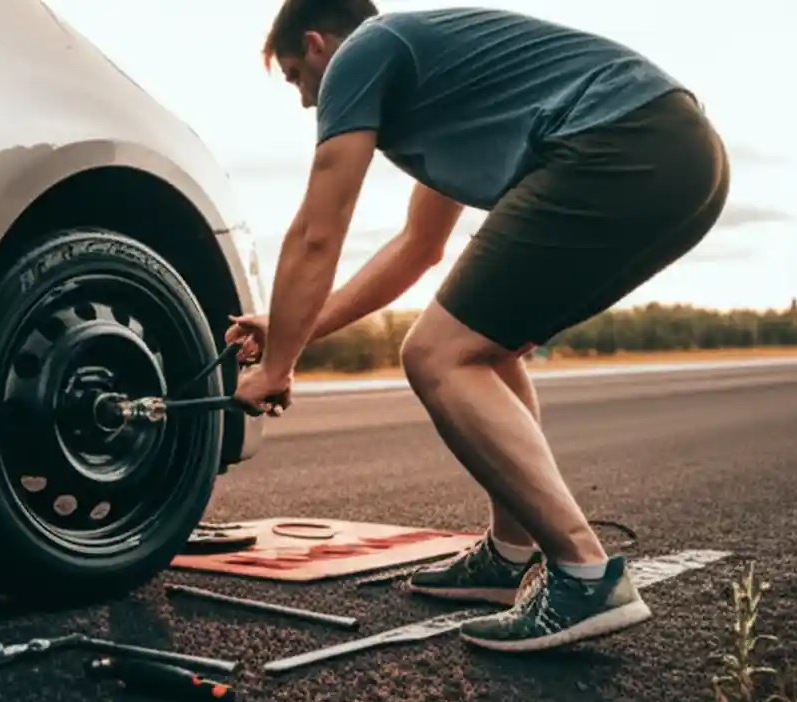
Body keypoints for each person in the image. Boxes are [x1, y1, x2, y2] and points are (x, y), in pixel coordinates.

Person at [227, 0, 729, 652]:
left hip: (622, 143)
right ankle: (510, 555)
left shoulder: (364, 52)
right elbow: (417, 247)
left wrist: (277, 368)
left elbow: (319, 230)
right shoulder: (441, 89)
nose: (302, 100)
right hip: (677, 155)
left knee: (436, 355)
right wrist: (292, 328)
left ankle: (583, 572)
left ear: (319, 45)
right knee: (480, 347)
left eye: (295, 75)